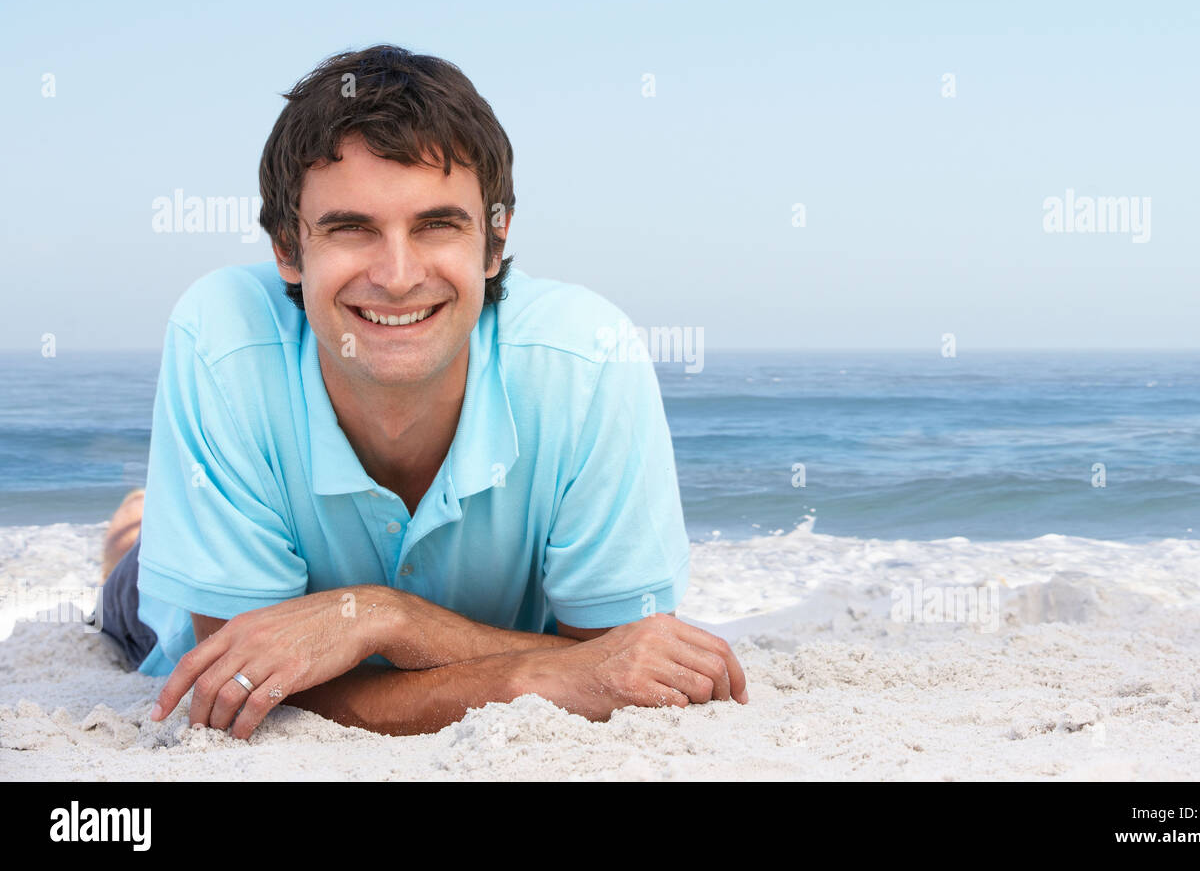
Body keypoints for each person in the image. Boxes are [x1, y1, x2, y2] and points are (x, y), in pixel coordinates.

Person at [95, 44, 747, 740]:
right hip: (163, 607)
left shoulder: (587, 361)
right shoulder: (220, 339)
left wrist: (388, 616)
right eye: (352, 228)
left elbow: (618, 665)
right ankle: (133, 532)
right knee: (134, 576)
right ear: (288, 247)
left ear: (493, 245)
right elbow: (243, 686)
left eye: (438, 225)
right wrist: (538, 674)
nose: (399, 276)